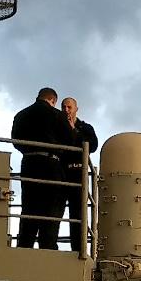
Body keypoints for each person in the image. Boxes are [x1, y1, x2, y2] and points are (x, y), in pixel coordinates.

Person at [12, 87, 72, 249]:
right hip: (51, 165)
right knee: (52, 209)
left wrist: (29, 150)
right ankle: (48, 246)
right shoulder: (57, 115)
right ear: (53, 100)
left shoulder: (21, 115)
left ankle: (24, 245)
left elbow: (16, 141)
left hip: (29, 163)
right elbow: (70, 139)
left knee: (29, 208)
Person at [61, 97, 98, 253]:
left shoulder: (85, 128)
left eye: (69, 107)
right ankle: (49, 245)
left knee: (78, 214)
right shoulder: (57, 126)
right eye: (63, 107)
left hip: (78, 174)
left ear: (76, 109)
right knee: (56, 210)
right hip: (61, 172)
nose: (66, 110)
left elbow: (92, 146)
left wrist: (73, 130)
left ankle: (78, 249)